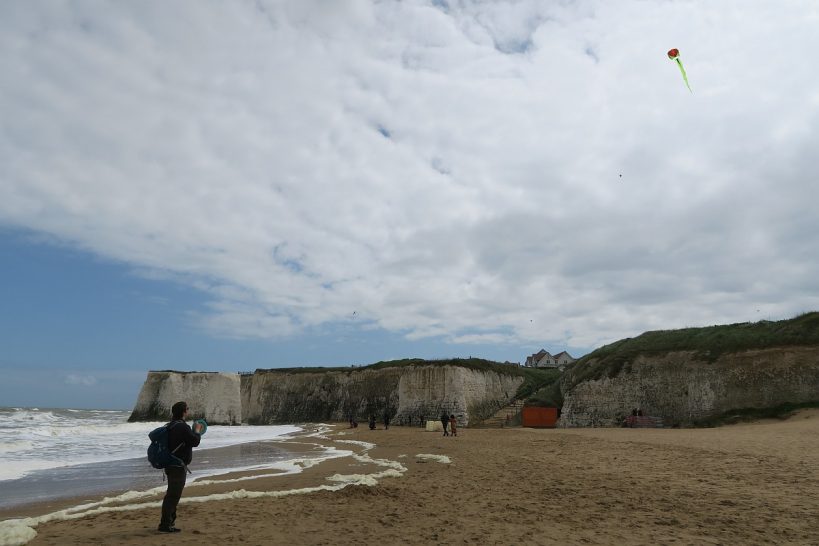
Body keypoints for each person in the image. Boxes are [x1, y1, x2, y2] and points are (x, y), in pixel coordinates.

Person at [158, 401, 202, 533]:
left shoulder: (170, 425)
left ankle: (169, 523)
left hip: (170, 464)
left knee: (172, 495)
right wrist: (198, 431)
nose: (188, 411)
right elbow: (195, 442)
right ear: (183, 412)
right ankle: (165, 525)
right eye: (187, 409)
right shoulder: (182, 427)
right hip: (178, 466)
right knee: (173, 496)